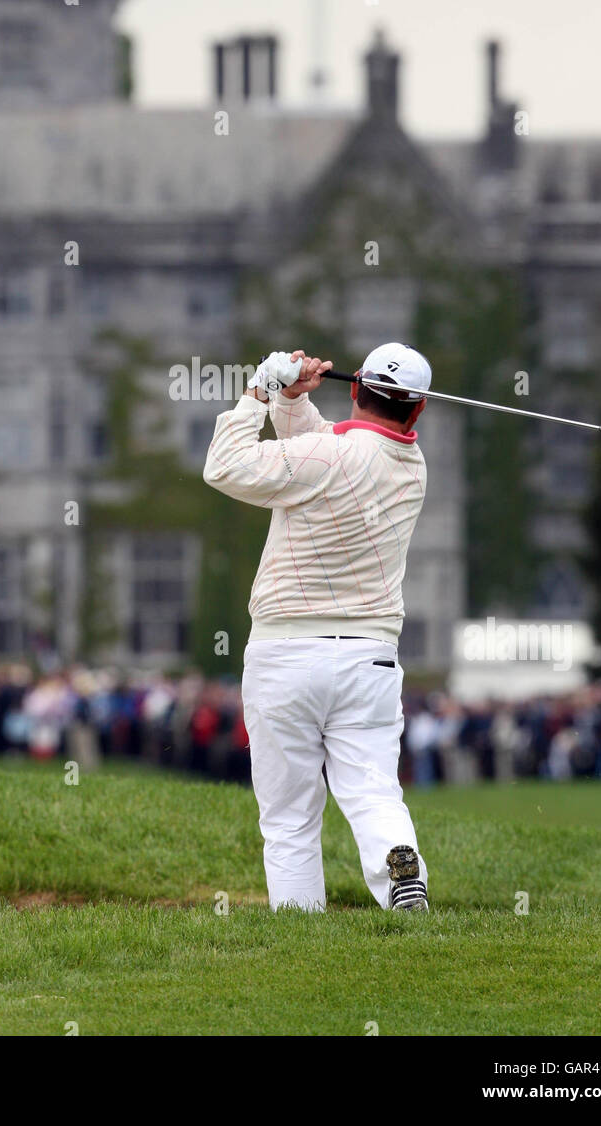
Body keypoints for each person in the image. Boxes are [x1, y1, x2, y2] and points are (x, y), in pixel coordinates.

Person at [203, 343, 431, 913]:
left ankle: (300, 928)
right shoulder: (412, 466)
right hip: (369, 657)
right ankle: (398, 859)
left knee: (288, 816)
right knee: (373, 788)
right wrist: (291, 403)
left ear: (355, 389)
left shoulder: (331, 454)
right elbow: (331, 458)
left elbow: (226, 467)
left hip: (286, 655)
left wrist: (261, 391)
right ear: (418, 411)